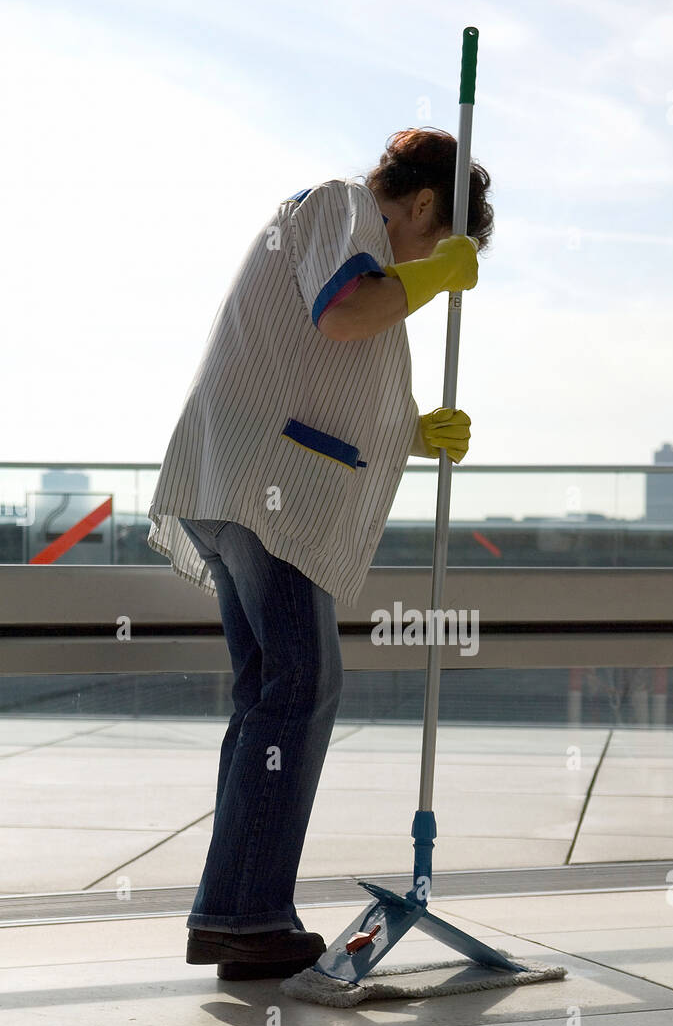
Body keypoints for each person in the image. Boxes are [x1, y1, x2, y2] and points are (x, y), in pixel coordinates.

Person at [146, 128, 494, 980]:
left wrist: (411, 431)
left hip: (242, 478)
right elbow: (347, 313)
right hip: (272, 490)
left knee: (271, 692)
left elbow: (312, 368)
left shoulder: (341, 229)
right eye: (437, 238)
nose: (426, 262)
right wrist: (438, 272)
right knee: (301, 687)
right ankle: (245, 916)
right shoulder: (345, 206)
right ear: (420, 205)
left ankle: (233, 912)